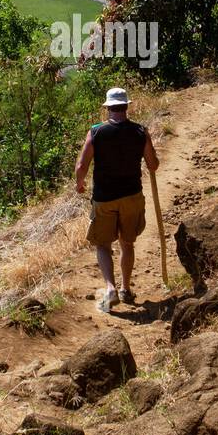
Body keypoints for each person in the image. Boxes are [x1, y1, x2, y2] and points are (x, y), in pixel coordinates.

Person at [75, 86, 159, 313]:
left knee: (103, 244)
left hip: (104, 198)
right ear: (126, 106)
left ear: (108, 108)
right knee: (127, 242)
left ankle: (110, 289)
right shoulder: (141, 131)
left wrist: (79, 183)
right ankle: (125, 288)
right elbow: (153, 165)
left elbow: (82, 165)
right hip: (132, 195)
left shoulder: (96, 132)